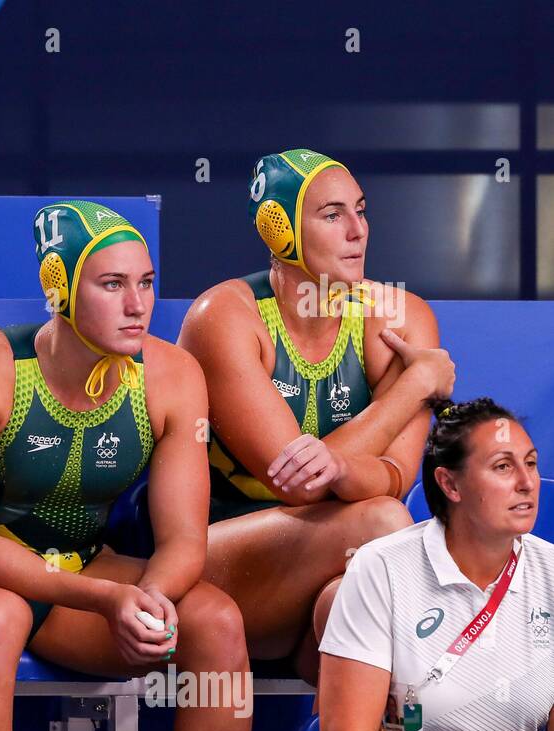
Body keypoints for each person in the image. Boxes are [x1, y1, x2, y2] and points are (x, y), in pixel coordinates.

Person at [0, 202, 252, 731]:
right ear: (58, 288)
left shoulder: (174, 376)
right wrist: (108, 599)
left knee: (216, 623)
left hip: (81, 566)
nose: (137, 305)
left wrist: (151, 601)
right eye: (112, 284)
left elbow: (185, 542)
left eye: (145, 283)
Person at [178, 148, 456, 684]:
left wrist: (345, 470)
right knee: (382, 525)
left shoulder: (400, 315)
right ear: (280, 231)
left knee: (348, 596)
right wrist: (415, 386)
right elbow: (299, 485)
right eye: (332, 215)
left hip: (318, 588)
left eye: (361, 209)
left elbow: (395, 478)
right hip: (213, 569)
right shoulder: (227, 316)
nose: (358, 231)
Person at [321, 399, 553, 731]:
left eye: (531, 463)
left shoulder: (550, 571)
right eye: (503, 466)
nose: (527, 482)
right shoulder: (382, 568)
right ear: (450, 484)